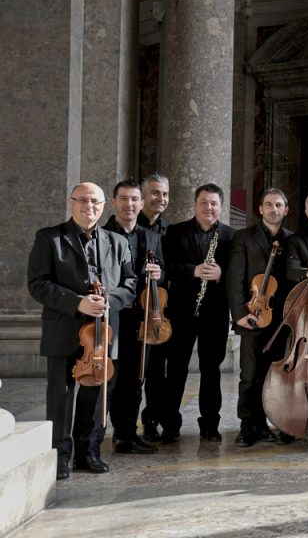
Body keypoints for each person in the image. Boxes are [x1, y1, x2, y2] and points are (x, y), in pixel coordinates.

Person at [28, 183, 136, 479]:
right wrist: (78, 303)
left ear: (104, 206)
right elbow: (38, 284)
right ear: (71, 202)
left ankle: (88, 453)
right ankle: (59, 457)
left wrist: (107, 301)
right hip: (63, 330)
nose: (89, 206)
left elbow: (130, 286)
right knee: (60, 399)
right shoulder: (49, 238)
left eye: (96, 202)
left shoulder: (118, 242)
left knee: (95, 398)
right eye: (83, 200)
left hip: (102, 334)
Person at [154, 184, 236, 443]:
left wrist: (221, 274)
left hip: (216, 313)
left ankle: (210, 424)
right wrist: (193, 270)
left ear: (221, 207)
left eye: (214, 203)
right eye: (204, 202)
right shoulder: (175, 232)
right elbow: (165, 269)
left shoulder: (232, 236)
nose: (208, 208)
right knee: (176, 369)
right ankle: (170, 425)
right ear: (195, 205)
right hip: (181, 311)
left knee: (211, 370)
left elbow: (237, 275)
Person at [226, 188, 293, 447]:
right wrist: (239, 314)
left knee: (275, 374)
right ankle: (247, 425)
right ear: (260, 209)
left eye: (278, 205)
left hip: (281, 319)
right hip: (253, 315)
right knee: (249, 373)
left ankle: (270, 421)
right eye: (268, 204)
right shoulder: (244, 237)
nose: (273, 209)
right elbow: (234, 277)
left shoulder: (291, 239)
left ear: (286, 210)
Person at [102, 179, 162, 455]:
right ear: (114, 202)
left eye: (134, 199)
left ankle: (126, 435)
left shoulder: (150, 237)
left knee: (135, 378)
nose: (129, 204)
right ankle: (98, 436)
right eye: (123, 199)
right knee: (109, 380)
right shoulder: (102, 236)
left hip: (141, 317)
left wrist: (159, 274)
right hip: (112, 317)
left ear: (141, 203)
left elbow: (164, 273)